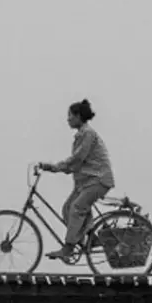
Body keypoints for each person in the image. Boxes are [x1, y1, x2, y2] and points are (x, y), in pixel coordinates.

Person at [38, 99, 116, 260]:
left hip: (98, 179)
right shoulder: (82, 134)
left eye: (70, 116)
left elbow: (77, 159)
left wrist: (54, 167)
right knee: (68, 208)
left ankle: (68, 248)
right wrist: (54, 168)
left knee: (77, 208)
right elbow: (75, 164)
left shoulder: (88, 134)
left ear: (78, 116)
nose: (68, 119)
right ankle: (90, 239)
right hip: (86, 182)